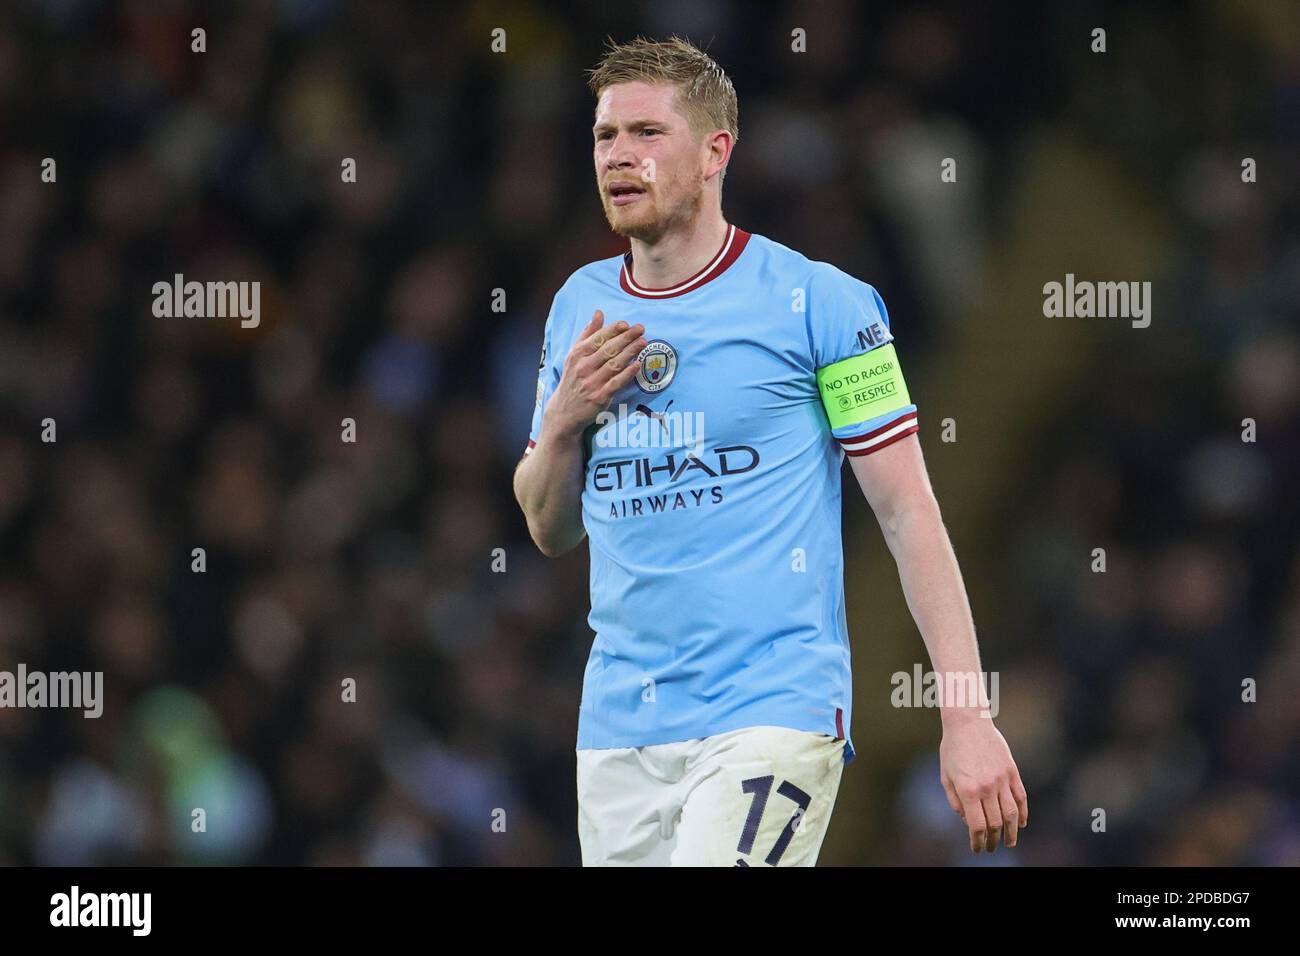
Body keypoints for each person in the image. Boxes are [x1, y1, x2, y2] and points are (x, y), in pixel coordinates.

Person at [512, 35, 1027, 866]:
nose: (619, 156)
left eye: (647, 133)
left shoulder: (824, 304)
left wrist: (966, 717)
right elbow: (548, 527)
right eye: (606, 136)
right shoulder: (581, 306)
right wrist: (566, 418)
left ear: (715, 151)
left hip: (770, 710)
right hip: (618, 727)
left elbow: (908, 513)